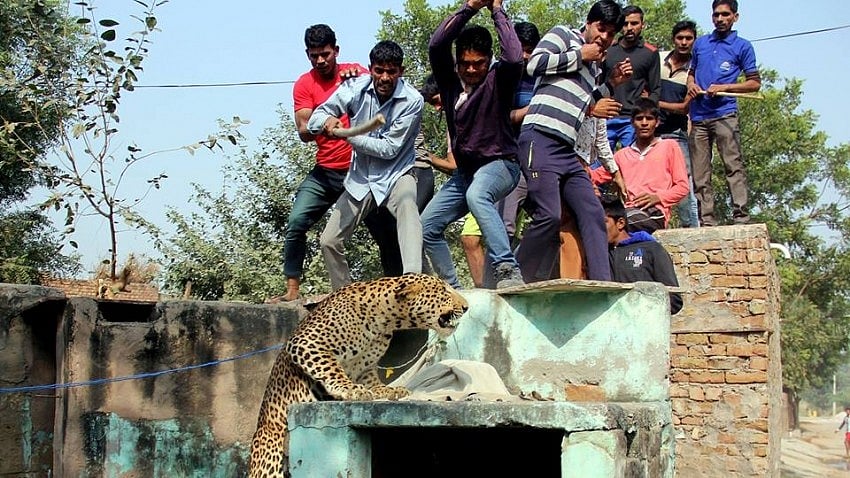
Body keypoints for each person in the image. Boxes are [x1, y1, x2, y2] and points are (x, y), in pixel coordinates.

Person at [274, 24, 401, 301]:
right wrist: (324, 122)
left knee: (387, 232)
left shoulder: (357, 74)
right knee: (296, 221)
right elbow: (304, 130)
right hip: (326, 172)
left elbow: (384, 100)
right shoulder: (304, 84)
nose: (320, 60)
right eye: (314, 55)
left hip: (360, 172)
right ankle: (292, 290)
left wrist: (358, 82)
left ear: (336, 51)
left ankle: (400, 290)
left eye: (325, 54)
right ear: (308, 55)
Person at [515, 0, 631, 283]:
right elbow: (534, 64)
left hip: (568, 150)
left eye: (611, 33)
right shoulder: (564, 35)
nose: (604, 37)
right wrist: (580, 54)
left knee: (593, 212)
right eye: (601, 29)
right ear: (589, 23)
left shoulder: (596, 66)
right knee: (549, 216)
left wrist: (611, 83)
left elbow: (585, 102)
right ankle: (512, 275)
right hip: (540, 136)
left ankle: (603, 284)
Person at [422, 0, 525, 289]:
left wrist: (496, 10)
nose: (471, 69)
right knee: (426, 226)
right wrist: (470, 6)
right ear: (456, 63)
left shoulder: (498, 79)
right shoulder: (449, 83)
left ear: (489, 60)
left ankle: (507, 269)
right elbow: (437, 45)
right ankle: (451, 290)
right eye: (465, 64)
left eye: (478, 63)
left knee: (478, 195)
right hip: (465, 174)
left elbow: (514, 57)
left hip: (501, 164)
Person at [307, 40, 423, 290]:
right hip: (361, 178)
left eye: (391, 71)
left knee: (407, 205)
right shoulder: (354, 87)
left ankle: (413, 282)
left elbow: (389, 150)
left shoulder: (413, 100)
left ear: (401, 72)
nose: (385, 78)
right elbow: (314, 120)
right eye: (379, 71)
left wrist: (346, 135)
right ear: (370, 69)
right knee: (328, 240)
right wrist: (327, 121)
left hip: (397, 173)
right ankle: (344, 297)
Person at [687, 0, 761, 226]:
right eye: (716, 14)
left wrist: (725, 87)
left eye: (725, 14)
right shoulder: (700, 44)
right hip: (699, 116)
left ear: (735, 17)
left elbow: (754, 83)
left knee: (733, 166)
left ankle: (741, 216)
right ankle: (707, 220)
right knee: (700, 172)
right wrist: (691, 84)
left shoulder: (742, 46)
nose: (720, 19)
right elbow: (691, 72)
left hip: (725, 114)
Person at [592, 97, 690, 233]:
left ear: (657, 122)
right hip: (626, 211)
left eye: (649, 119)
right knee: (595, 224)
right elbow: (594, 176)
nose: (644, 123)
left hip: (654, 212)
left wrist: (658, 197)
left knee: (613, 227)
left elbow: (682, 187)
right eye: (639, 119)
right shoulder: (622, 155)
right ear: (632, 122)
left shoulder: (669, 146)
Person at [603, 197, 682, 315]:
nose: (597, 228)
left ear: (620, 223)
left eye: (603, 222)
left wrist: (641, 310)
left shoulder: (652, 250)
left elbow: (673, 299)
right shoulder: (601, 255)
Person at [658, 20, 699, 228]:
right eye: (680, 38)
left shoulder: (695, 70)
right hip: (651, 133)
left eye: (688, 38)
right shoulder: (658, 60)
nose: (684, 42)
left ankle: (691, 229)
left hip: (676, 133)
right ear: (673, 39)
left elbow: (684, 108)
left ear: (694, 40)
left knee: (683, 183)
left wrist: (655, 103)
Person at [602, 5, 660, 152]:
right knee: (598, 163)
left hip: (632, 120)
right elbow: (598, 82)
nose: (629, 28)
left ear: (642, 25)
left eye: (634, 23)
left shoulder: (650, 53)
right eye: (625, 23)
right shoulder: (608, 49)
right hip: (606, 117)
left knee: (635, 159)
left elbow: (655, 89)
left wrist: (644, 115)